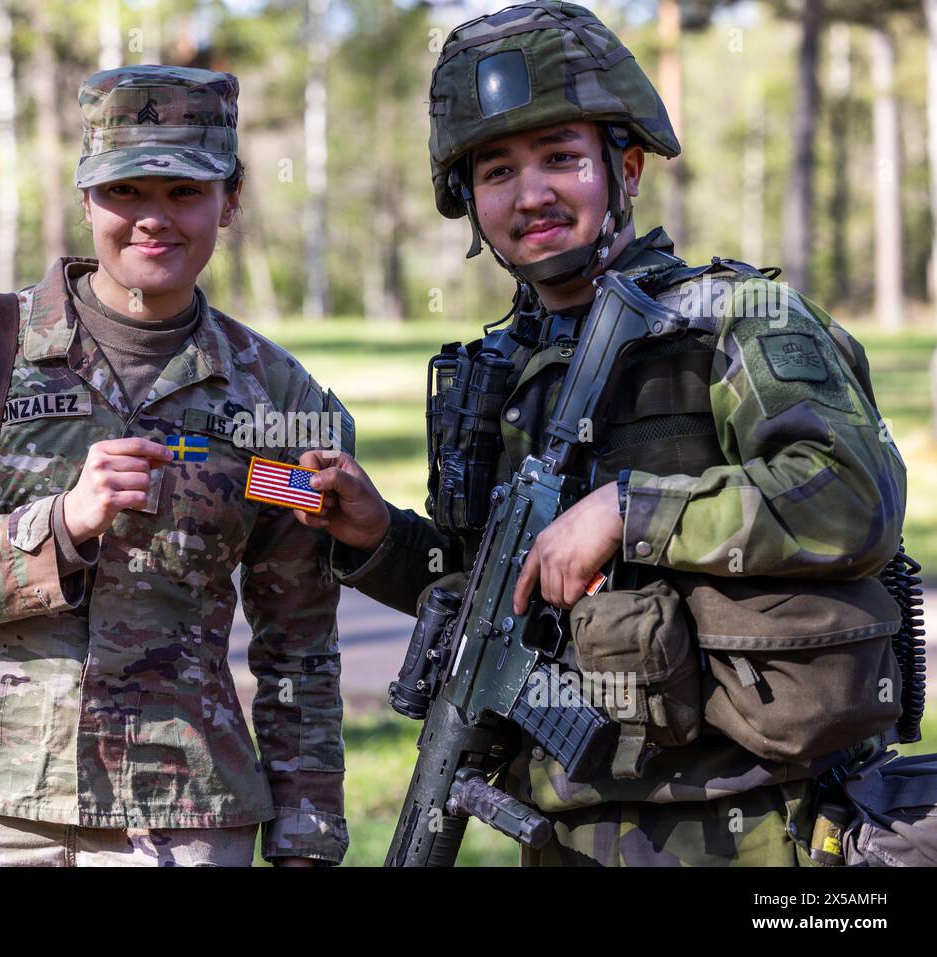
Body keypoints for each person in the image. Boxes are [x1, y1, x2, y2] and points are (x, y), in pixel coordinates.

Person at [299, 1, 908, 866]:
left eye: (560, 159)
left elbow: (853, 498)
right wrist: (377, 538)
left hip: (761, 831)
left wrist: (630, 511)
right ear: (468, 201)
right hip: (569, 838)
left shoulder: (739, 322)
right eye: (497, 171)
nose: (531, 193)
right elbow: (497, 598)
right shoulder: (498, 373)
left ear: (625, 168)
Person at [0, 65, 351, 866]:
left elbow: (298, 642)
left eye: (184, 192)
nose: (153, 220)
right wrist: (57, 527)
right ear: (85, 198)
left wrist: (307, 836)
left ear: (230, 201)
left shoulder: (278, 399)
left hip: (184, 810)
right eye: (126, 192)